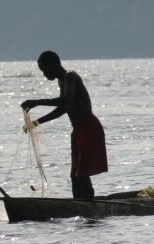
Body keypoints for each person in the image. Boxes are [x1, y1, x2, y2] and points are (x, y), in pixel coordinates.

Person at [20, 51, 107, 199]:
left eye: (45, 70)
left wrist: (36, 101)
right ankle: (78, 204)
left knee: (82, 173)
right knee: (75, 174)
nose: (44, 74)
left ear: (54, 64)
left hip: (89, 128)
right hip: (78, 131)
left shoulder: (70, 76)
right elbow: (62, 109)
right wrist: (36, 122)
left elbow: (66, 100)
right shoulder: (62, 81)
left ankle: (89, 206)